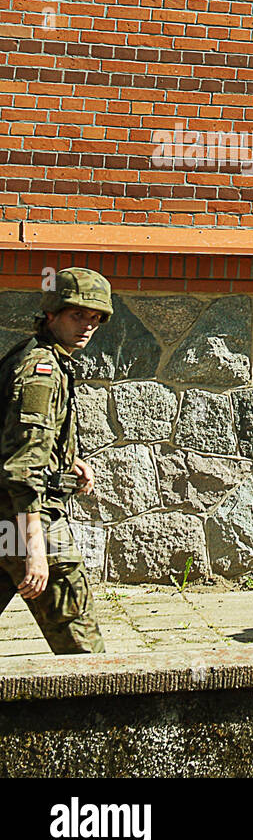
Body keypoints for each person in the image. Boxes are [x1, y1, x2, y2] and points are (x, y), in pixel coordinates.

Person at [0, 267, 112, 654]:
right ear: (52, 314)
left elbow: (20, 437)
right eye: (77, 315)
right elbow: (22, 470)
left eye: (95, 319)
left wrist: (69, 461)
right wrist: (35, 552)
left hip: (6, 519)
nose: (87, 326)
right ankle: (96, 712)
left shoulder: (35, 354)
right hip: (25, 520)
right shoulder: (42, 372)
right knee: (82, 643)